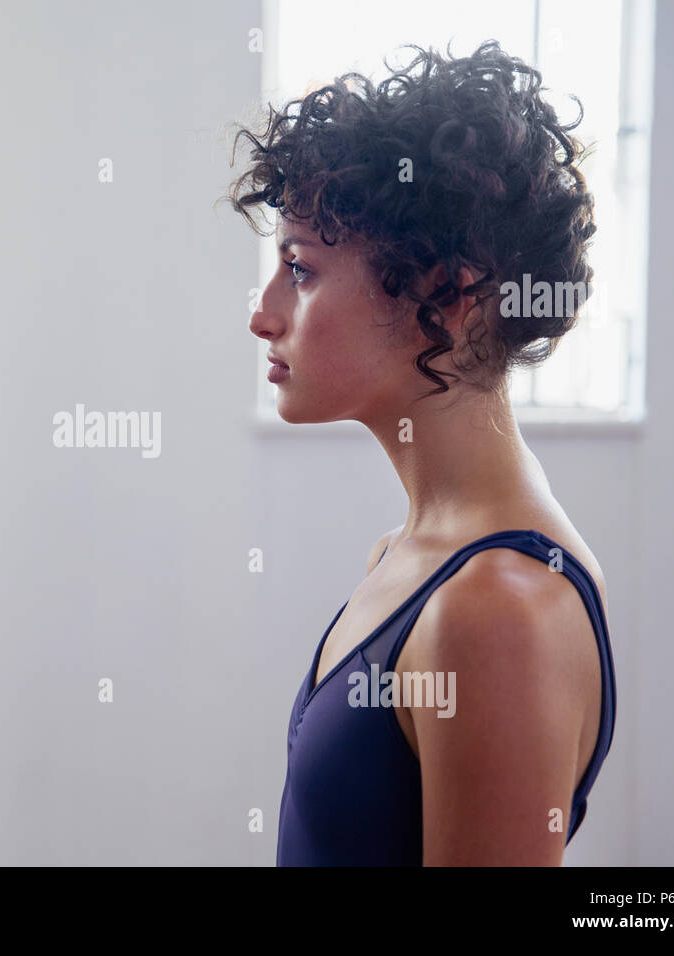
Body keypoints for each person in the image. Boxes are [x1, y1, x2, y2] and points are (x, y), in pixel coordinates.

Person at [227, 40, 617, 865]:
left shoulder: (497, 610)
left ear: (445, 293)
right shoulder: (411, 555)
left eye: (299, 270)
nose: (262, 315)